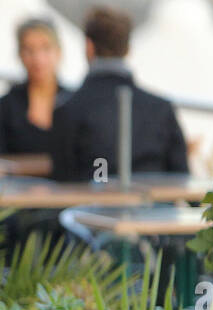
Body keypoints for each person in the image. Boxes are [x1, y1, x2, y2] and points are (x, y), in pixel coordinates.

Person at [49, 5, 188, 182]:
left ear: (89, 47)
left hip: (91, 208)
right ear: (128, 49)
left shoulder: (67, 109)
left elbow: (64, 181)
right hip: (154, 208)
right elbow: (181, 176)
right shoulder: (162, 108)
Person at [0, 18, 70, 159]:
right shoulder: (2, 108)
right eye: (29, 50)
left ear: (59, 52)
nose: (38, 58)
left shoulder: (75, 102)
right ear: (19, 55)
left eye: (46, 48)